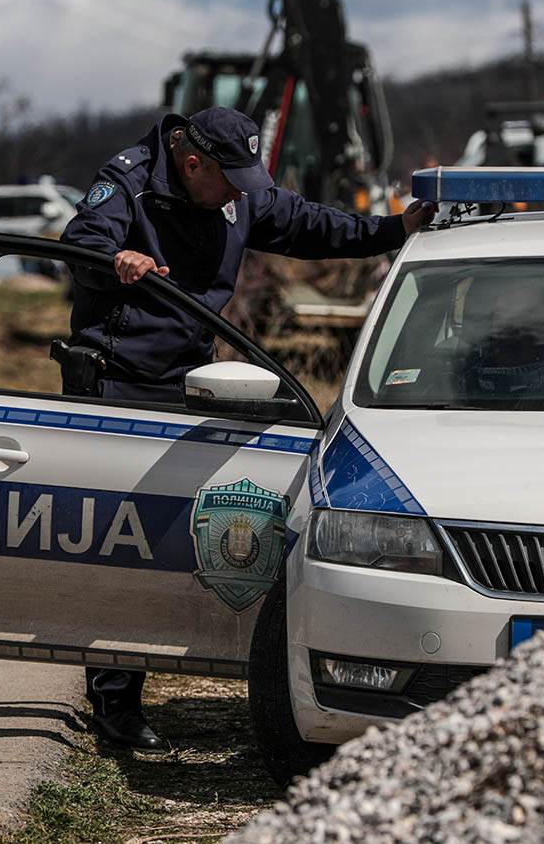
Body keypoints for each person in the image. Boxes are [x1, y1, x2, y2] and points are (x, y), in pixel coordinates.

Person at [60, 106, 435, 750]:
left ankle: (202, 654)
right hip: (118, 380)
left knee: (192, 531)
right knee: (125, 545)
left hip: (192, 377)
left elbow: (311, 225)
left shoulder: (239, 193)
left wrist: (392, 229)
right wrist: (115, 257)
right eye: (228, 180)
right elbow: (80, 242)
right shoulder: (130, 181)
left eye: (245, 182)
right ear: (192, 162)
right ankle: (114, 702)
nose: (238, 194)